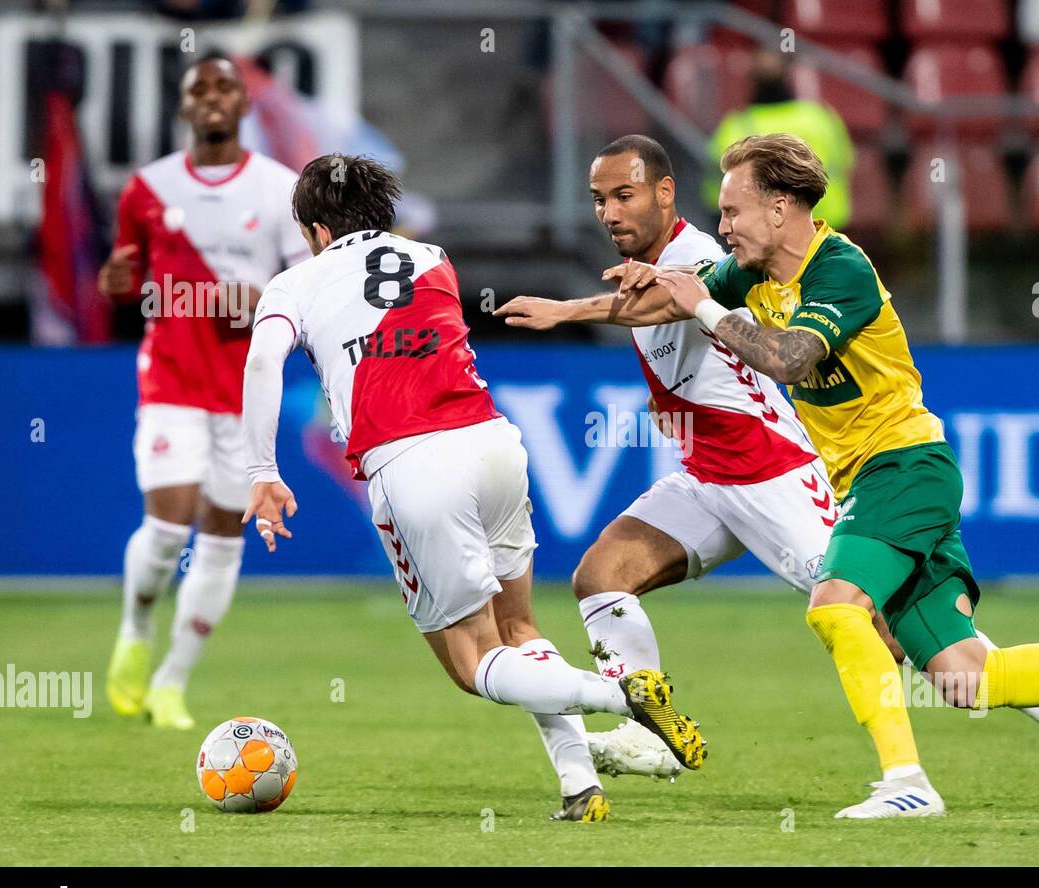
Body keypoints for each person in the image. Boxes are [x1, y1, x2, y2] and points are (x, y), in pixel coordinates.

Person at [497, 133, 1039, 820]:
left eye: (732, 209)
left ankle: (906, 786)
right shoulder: (752, 269)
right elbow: (670, 296)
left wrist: (708, 311)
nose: (721, 225)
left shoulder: (840, 269)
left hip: (892, 465)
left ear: (778, 207)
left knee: (843, 612)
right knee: (960, 674)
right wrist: (570, 309)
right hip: (815, 475)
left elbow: (785, 357)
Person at [240, 153, 707, 823]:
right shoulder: (432, 257)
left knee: (471, 662)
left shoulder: (296, 282)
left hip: (411, 463)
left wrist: (262, 471)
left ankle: (623, 696)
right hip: (493, 444)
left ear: (314, 228)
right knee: (520, 628)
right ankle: (580, 786)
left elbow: (261, 361)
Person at [101, 57, 309, 730]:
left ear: (243, 101)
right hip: (169, 379)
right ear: (184, 106)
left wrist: (260, 302)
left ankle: (172, 681)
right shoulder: (147, 188)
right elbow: (128, 280)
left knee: (222, 536)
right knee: (167, 523)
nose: (213, 98)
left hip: (245, 389)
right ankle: (135, 632)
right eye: (200, 89)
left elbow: (307, 289)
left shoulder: (281, 190)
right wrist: (115, 285)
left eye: (224, 87)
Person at [705, 51, 855, 231]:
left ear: (751, 83)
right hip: (827, 227)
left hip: (767, 235)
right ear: (790, 79)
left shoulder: (736, 126)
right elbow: (848, 161)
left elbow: (715, 189)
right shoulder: (822, 117)